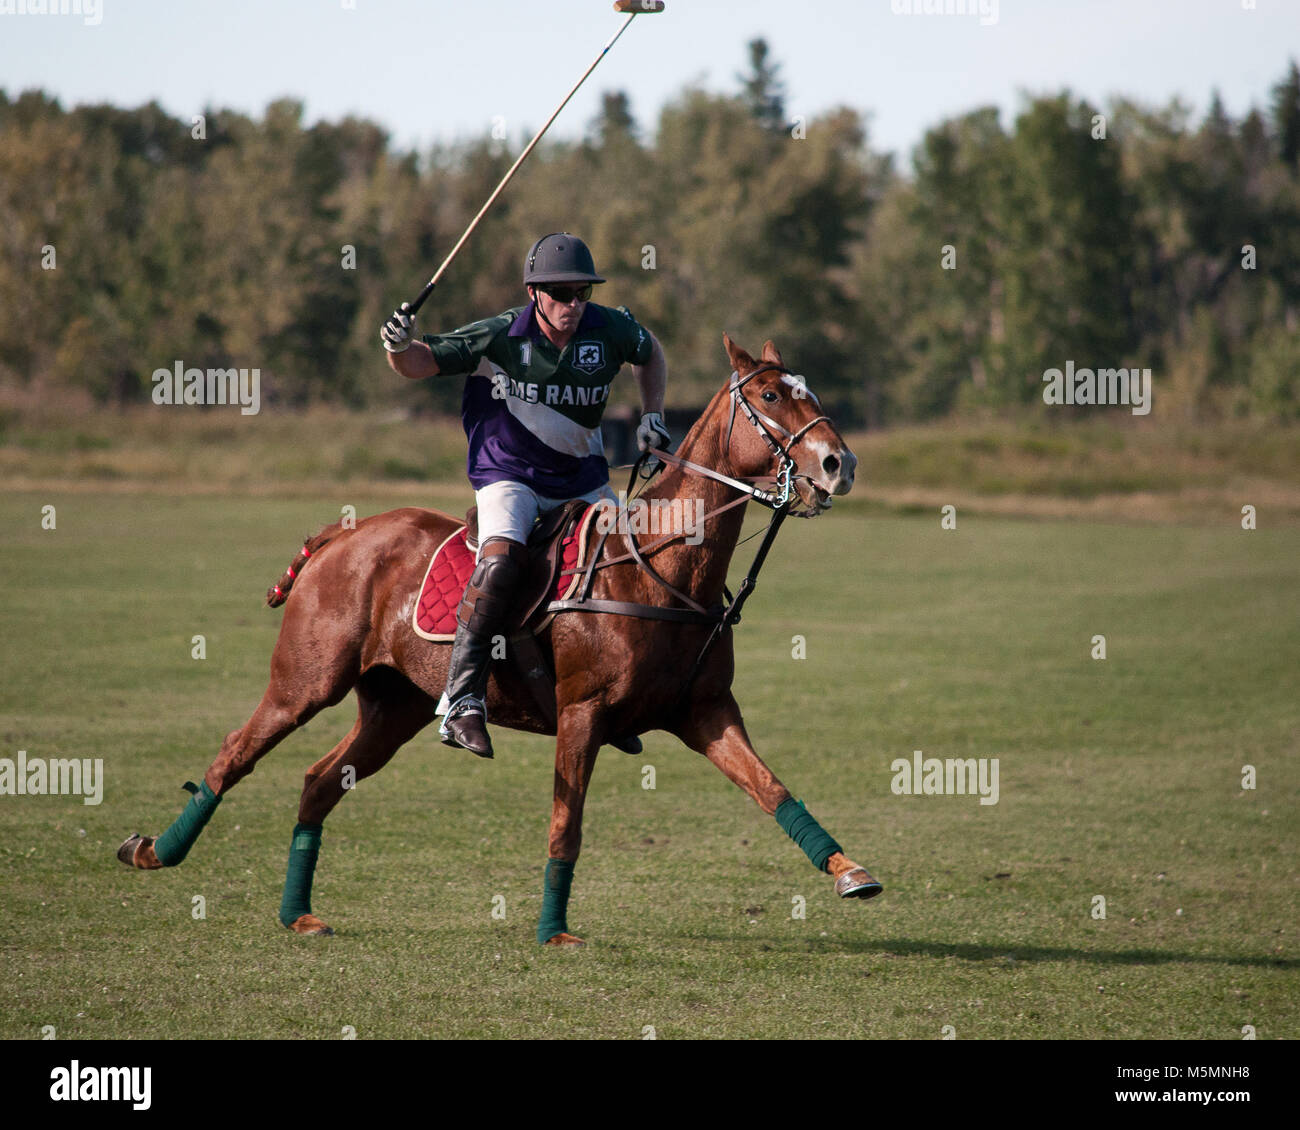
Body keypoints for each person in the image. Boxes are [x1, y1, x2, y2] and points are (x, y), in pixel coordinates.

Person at [381, 233, 671, 759]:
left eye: (582, 292)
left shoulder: (610, 329)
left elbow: (651, 354)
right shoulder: (500, 334)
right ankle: (462, 697)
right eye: (561, 293)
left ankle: (615, 694)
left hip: (582, 480)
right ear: (535, 292)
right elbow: (419, 363)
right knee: (502, 561)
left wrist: (653, 413)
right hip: (508, 475)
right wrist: (398, 345)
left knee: (629, 564)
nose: (573, 305)